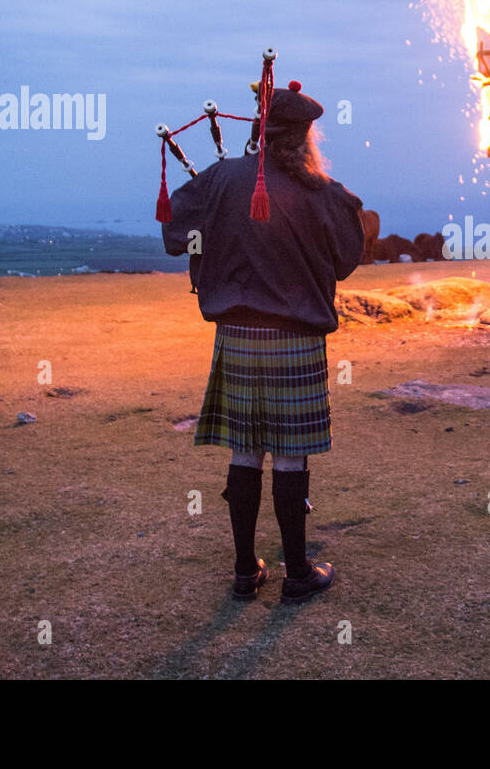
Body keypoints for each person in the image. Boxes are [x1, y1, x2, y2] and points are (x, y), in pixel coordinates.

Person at [161, 78, 364, 602]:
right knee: (291, 457)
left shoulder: (219, 179)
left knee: (246, 451)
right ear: (303, 137)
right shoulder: (325, 194)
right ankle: (297, 573)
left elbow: (175, 234)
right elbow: (344, 261)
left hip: (236, 334)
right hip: (295, 339)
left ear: (257, 129)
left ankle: (244, 571)